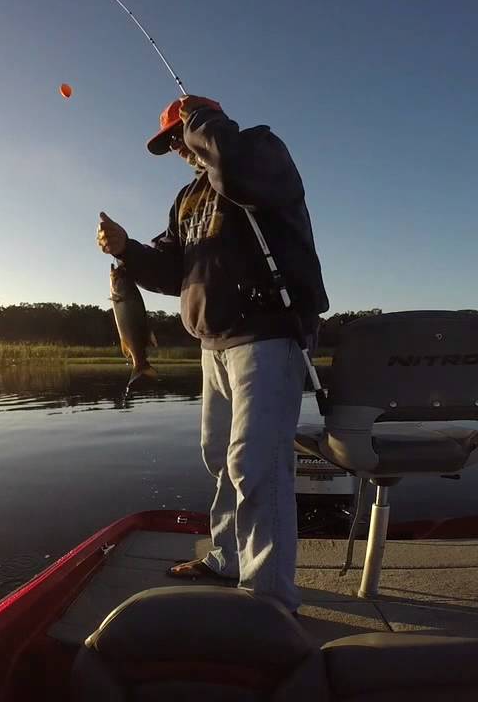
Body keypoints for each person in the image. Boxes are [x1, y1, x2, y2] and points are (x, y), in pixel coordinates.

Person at [95, 95, 328, 612]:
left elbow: (236, 172)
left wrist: (200, 121)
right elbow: (172, 273)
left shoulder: (259, 154)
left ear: (206, 125)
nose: (178, 146)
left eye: (180, 134)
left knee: (257, 464)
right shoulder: (188, 198)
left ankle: (269, 597)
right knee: (221, 458)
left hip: (267, 336)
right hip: (213, 344)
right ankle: (226, 557)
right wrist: (127, 250)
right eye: (171, 141)